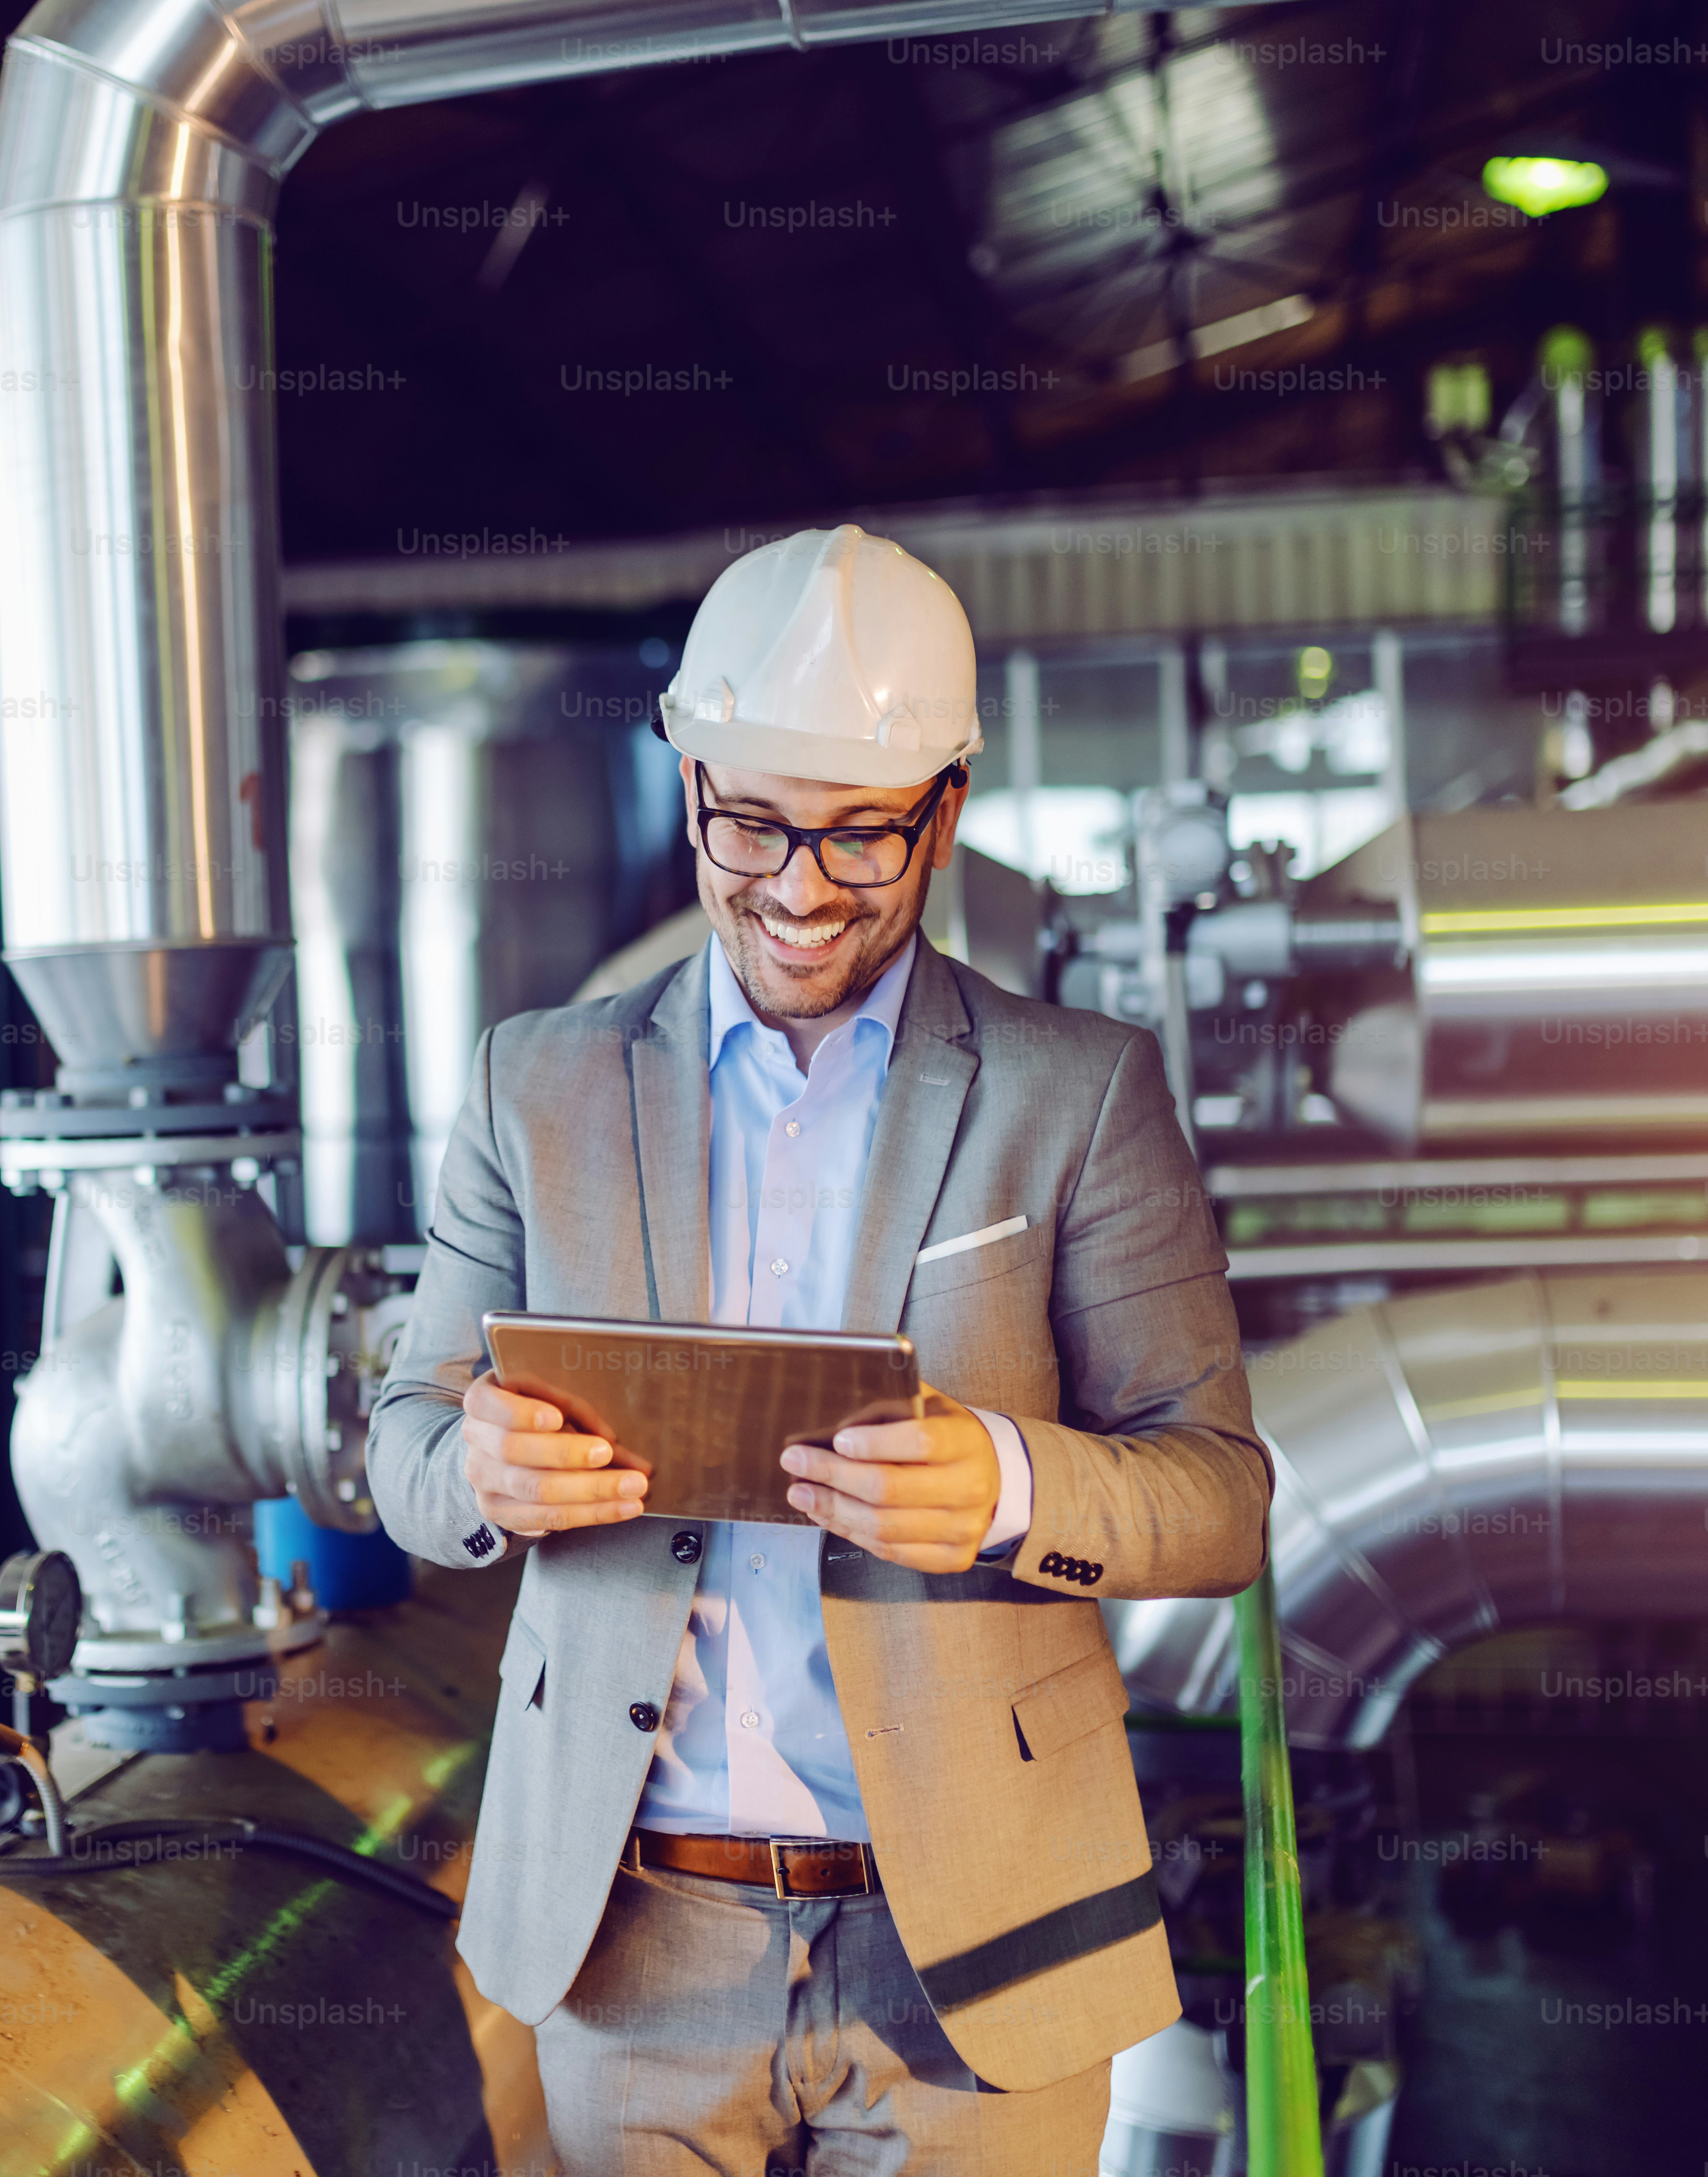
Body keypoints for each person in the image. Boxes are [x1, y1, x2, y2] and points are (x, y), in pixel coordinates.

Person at [367, 524, 1272, 2173]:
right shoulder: (536, 1084)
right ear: (692, 773)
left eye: (862, 838)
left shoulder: (1077, 1093)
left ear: (947, 806)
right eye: (754, 825)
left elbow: (1218, 1496)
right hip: (636, 1935)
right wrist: (475, 1465)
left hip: (976, 1944)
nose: (797, 888)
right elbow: (408, 1435)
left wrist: (1002, 1481)